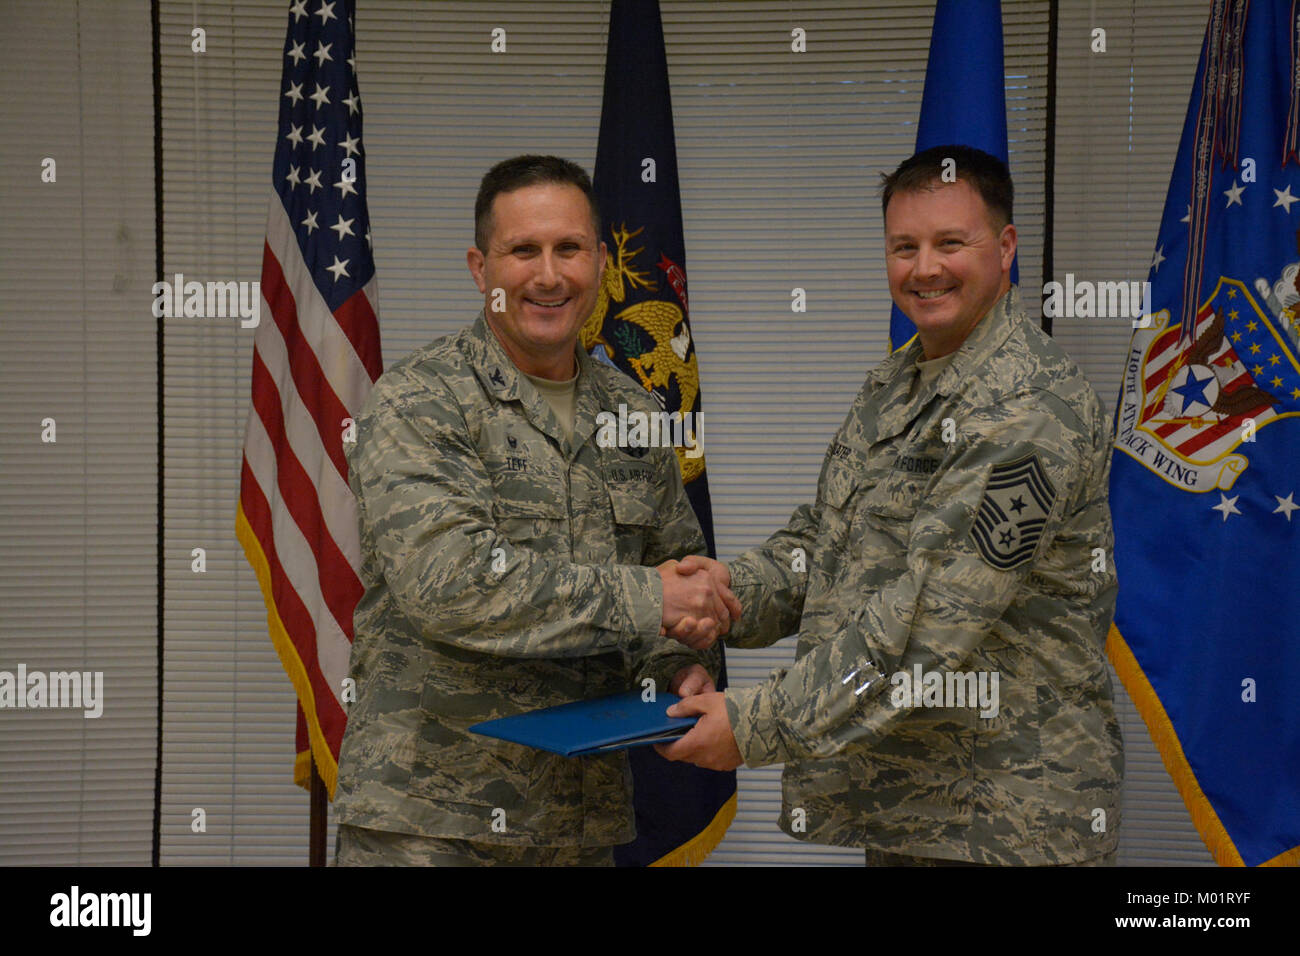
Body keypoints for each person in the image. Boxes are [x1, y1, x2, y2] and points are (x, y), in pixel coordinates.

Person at [658, 145, 1124, 866]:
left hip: (1010, 821)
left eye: (950, 243)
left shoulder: (1033, 408)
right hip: (907, 810)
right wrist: (722, 597)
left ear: (1005, 248)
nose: (924, 267)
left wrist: (753, 723)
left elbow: (928, 625)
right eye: (904, 247)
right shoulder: (896, 384)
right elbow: (827, 547)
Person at [333, 155, 738, 866]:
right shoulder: (420, 402)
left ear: (602, 265)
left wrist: (681, 666)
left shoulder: (637, 413)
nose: (548, 275)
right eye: (523, 250)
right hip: (432, 824)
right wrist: (656, 600)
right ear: (480, 268)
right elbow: (451, 585)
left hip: (581, 822)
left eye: (569, 249)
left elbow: (675, 570)